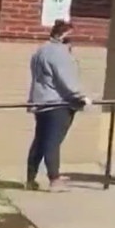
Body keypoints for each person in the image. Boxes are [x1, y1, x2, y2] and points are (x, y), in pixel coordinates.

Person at [26, 19, 91, 192]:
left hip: (41, 102)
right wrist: (81, 97)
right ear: (65, 36)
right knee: (52, 142)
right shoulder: (60, 54)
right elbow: (67, 79)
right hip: (58, 103)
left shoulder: (40, 52)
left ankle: (30, 178)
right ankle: (54, 180)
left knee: (40, 141)